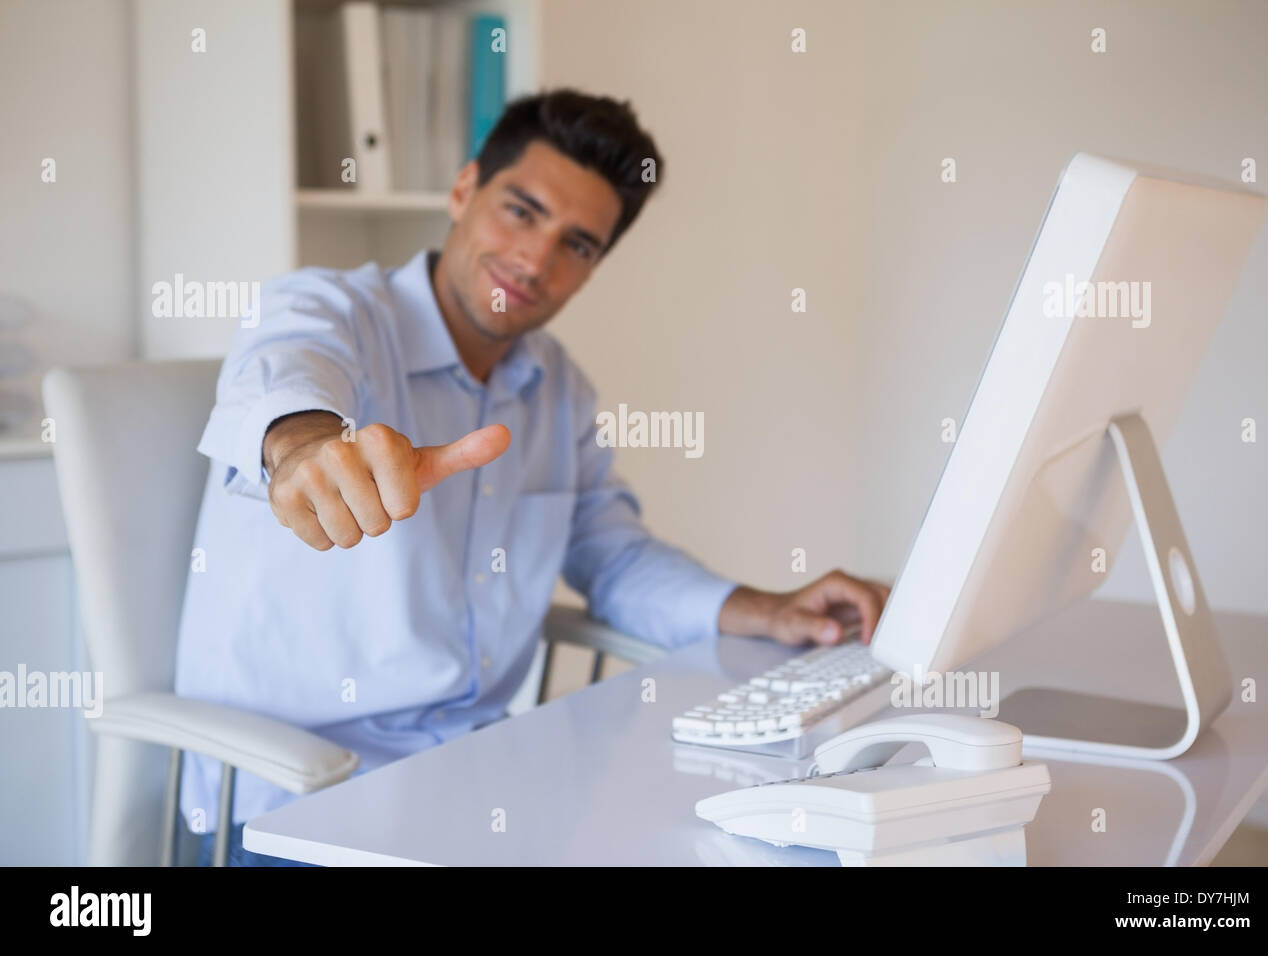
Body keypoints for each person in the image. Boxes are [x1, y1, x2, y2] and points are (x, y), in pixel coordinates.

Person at [176, 88, 890, 866]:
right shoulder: (331, 310)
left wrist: (767, 609)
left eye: (577, 245)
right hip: (296, 806)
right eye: (521, 211)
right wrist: (305, 443)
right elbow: (286, 370)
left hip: (473, 780)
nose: (536, 261)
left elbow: (612, 556)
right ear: (464, 190)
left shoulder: (558, 388)